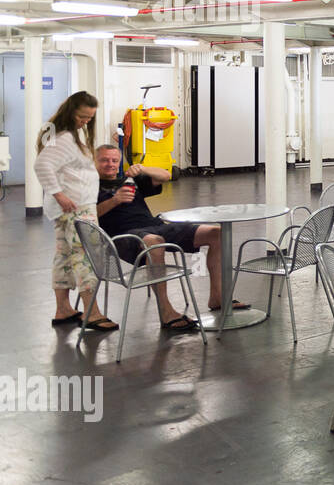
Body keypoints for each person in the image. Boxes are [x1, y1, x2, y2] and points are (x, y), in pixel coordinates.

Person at [93, 145, 232, 330]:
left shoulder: (128, 180)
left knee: (216, 233)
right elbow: (88, 216)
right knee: (154, 243)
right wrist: (115, 200)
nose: (110, 164)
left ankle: (217, 297)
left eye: (114, 160)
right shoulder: (89, 188)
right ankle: (166, 310)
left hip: (155, 227)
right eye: (104, 160)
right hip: (124, 237)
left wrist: (141, 169)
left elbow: (165, 176)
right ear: (94, 162)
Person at [33, 91, 114, 331]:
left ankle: (63, 309)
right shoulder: (65, 138)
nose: (85, 121)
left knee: (65, 256)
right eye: (82, 116)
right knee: (86, 256)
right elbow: (42, 165)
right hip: (77, 208)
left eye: (89, 118)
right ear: (71, 112)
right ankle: (93, 312)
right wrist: (59, 193)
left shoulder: (68, 135)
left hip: (71, 208)